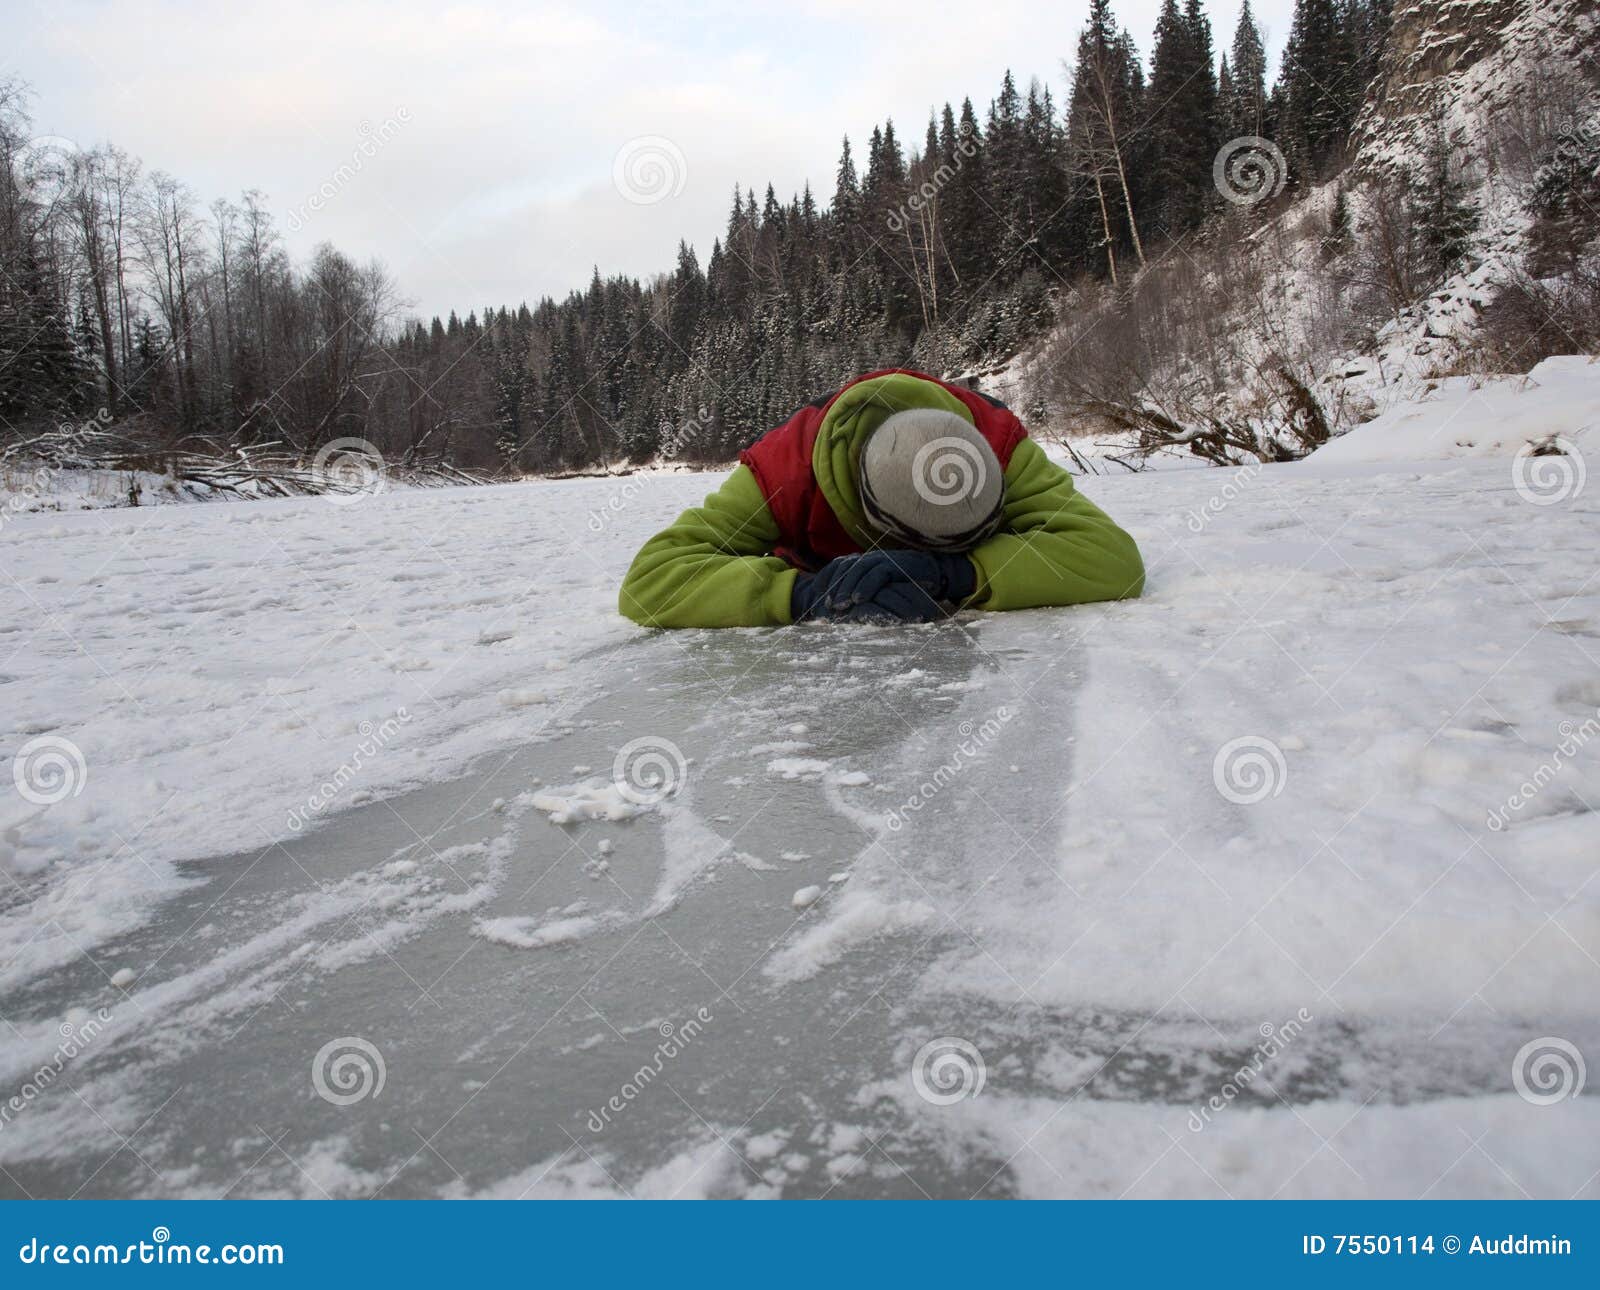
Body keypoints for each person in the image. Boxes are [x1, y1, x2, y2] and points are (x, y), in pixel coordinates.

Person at [618, 368, 1143, 628]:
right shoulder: (786, 468)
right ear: (864, 508)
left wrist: (959, 575)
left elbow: (1113, 559)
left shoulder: (1000, 445)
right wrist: (802, 595)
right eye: (923, 546)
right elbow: (649, 582)